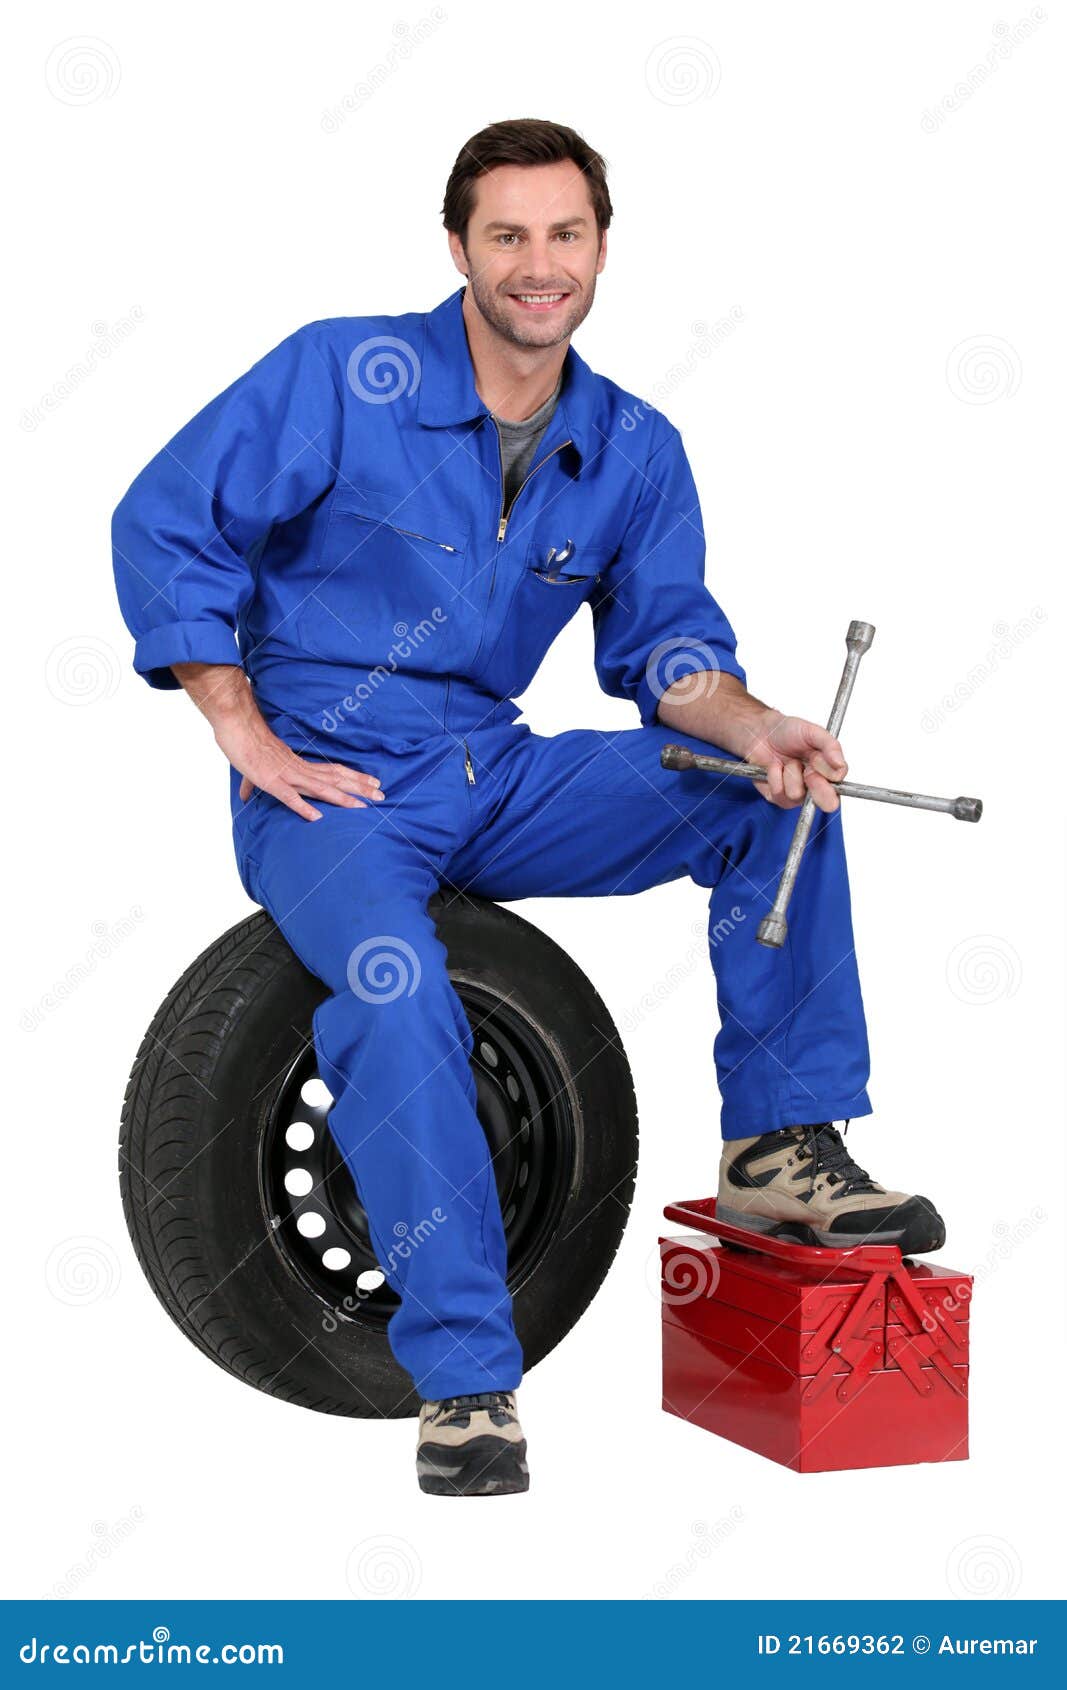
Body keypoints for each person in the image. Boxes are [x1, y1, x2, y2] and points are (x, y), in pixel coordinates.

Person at [111, 117, 944, 1499]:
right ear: (460, 249)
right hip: (336, 783)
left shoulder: (632, 445)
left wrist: (759, 729)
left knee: (774, 803)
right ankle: (464, 1382)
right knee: (396, 986)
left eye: (566, 235)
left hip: (490, 770)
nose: (538, 264)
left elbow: (669, 652)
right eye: (508, 234)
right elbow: (164, 518)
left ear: (602, 251)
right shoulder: (342, 373)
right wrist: (235, 720)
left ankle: (776, 1143)